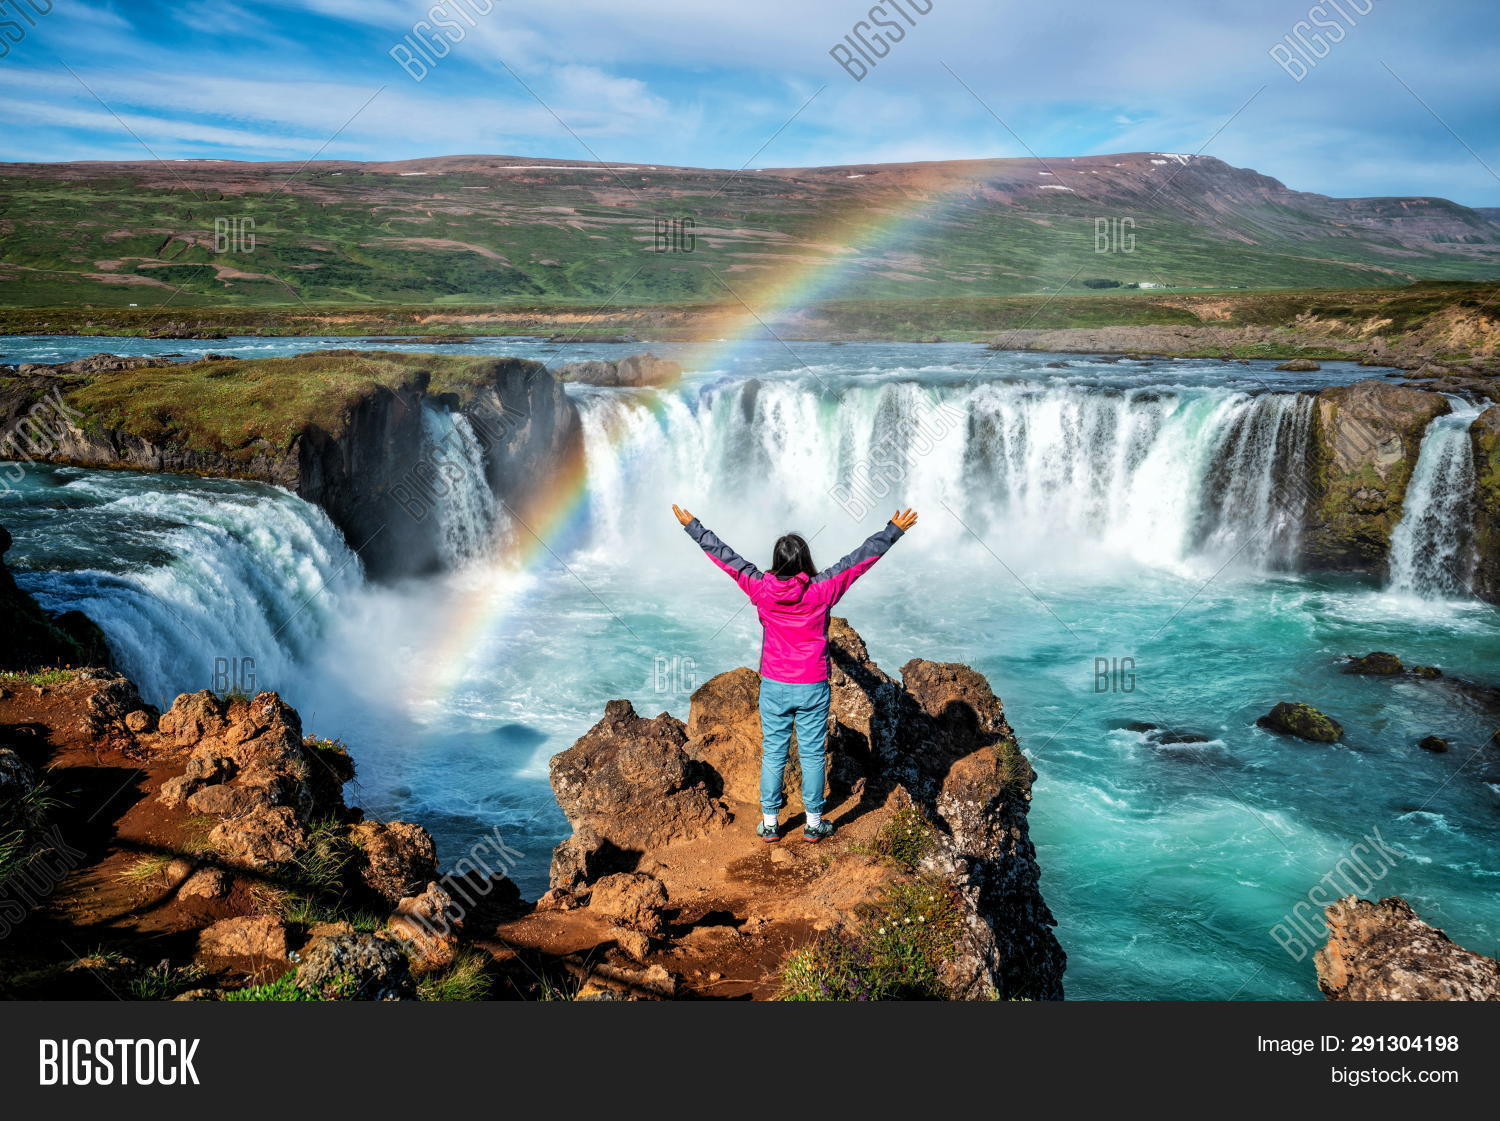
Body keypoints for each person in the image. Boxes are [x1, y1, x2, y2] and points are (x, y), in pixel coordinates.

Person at [672, 504, 919, 842]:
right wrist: (893, 530)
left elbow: (727, 559)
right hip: (812, 684)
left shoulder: (760, 588)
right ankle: (814, 822)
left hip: (774, 684)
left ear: (776, 561)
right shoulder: (823, 589)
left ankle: (771, 823)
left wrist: (694, 527)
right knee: (813, 753)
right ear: (805, 561)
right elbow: (860, 560)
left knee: (774, 752)